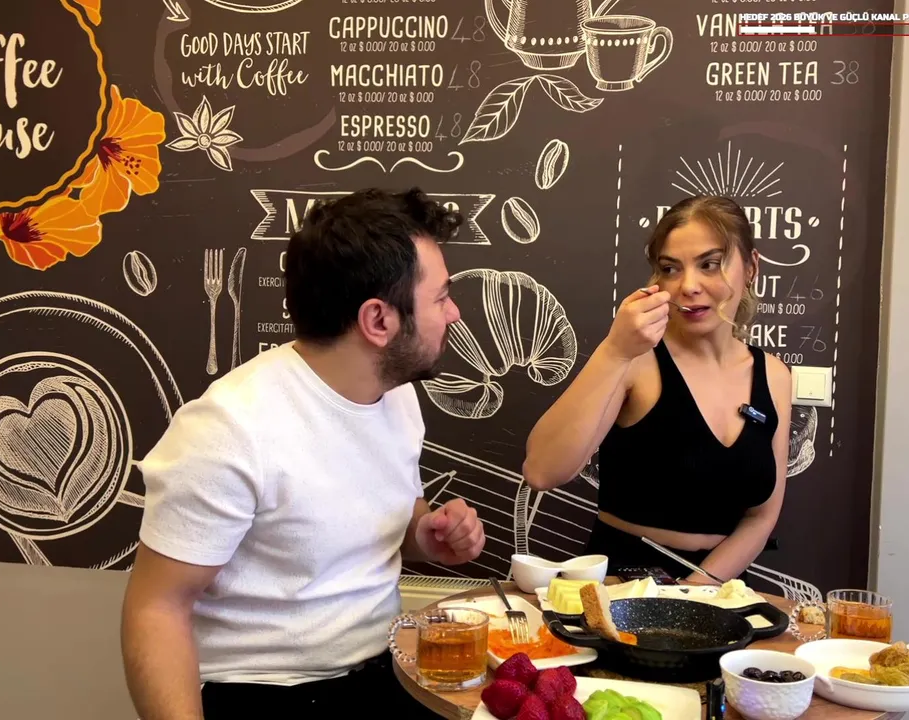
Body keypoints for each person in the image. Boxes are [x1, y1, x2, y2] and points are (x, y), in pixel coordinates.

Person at [120, 187, 485, 720]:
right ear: (378, 321)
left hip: (387, 670)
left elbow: (378, 514)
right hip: (264, 692)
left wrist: (423, 532)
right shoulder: (230, 428)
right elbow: (156, 609)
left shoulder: (396, 394)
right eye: (440, 297)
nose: (454, 312)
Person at [523, 195, 791, 585]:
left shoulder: (774, 375)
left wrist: (694, 594)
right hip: (624, 591)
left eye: (710, 264)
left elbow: (761, 517)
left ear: (751, 268)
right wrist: (614, 351)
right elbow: (542, 470)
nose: (689, 286)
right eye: (670, 269)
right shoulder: (635, 360)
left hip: (719, 593)